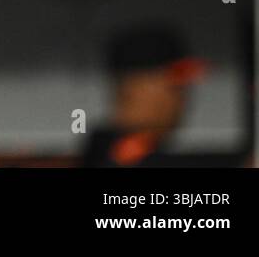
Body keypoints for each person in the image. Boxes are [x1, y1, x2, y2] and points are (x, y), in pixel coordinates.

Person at [81, 24, 207, 167]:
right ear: (131, 90)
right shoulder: (120, 159)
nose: (183, 97)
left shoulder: (127, 155)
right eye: (175, 86)